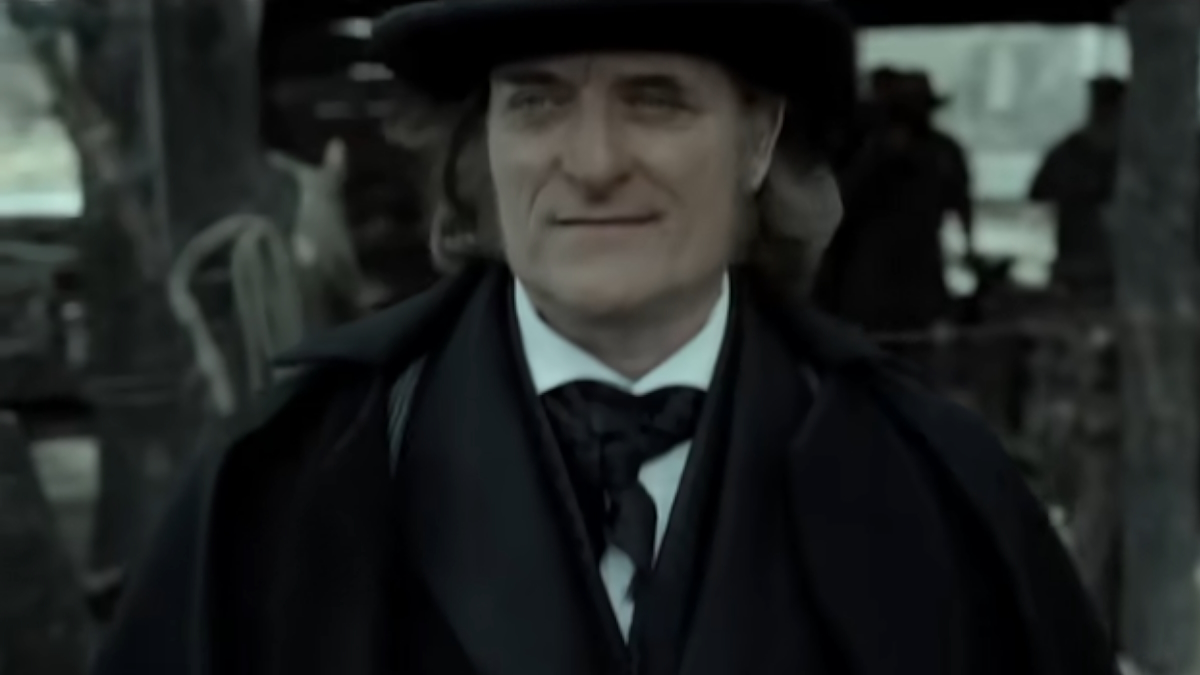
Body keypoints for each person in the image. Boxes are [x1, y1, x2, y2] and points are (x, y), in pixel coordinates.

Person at [92, 1, 1115, 674]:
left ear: (758, 138)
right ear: (485, 143)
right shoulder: (285, 486)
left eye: (654, 99)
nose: (590, 162)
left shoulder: (940, 490)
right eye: (537, 102)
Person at [819, 69, 974, 334]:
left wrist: (970, 247)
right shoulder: (868, 147)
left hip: (920, 264)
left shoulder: (943, 150)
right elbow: (842, 201)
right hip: (873, 266)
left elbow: (961, 203)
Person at [1030, 76, 1125, 305]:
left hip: (1114, 267)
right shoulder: (1070, 152)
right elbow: (1039, 193)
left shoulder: (1135, 157)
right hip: (1080, 265)